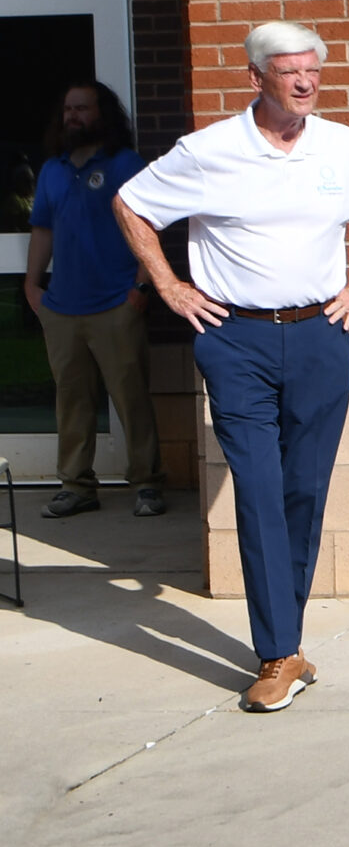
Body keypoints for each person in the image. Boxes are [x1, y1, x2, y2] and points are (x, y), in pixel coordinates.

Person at [113, 22, 349, 714]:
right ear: (255, 78)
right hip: (235, 341)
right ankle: (275, 654)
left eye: (314, 73)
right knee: (260, 491)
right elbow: (130, 204)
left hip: (321, 338)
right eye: (290, 72)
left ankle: (288, 643)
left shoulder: (342, 146)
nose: (305, 83)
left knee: (304, 491)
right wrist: (171, 286)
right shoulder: (208, 153)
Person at [24, 81, 167, 519]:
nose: (73, 116)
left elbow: (149, 224)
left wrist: (142, 287)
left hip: (116, 304)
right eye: (68, 109)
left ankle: (146, 484)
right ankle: (76, 486)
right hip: (63, 308)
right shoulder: (51, 170)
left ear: (102, 114)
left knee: (131, 399)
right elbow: (42, 230)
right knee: (72, 402)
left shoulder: (126, 165)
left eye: (82, 108)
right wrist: (32, 285)